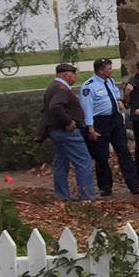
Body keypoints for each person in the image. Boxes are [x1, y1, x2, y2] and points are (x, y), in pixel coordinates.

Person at [80, 58, 139, 197]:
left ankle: (133, 184)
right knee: (102, 155)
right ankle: (105, 187)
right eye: (109, 68)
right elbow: (87, 109)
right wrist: (90, 128)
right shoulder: (89, 86)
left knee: (124, 151)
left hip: (115, 119)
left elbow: (116, 96)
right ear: (100, 70)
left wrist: (120, 101)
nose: (111, 70)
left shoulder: (110, 81)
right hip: (100, 121)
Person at [40, 62, 97, 201]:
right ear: (67, 74)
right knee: (84, 162)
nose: (76, 77)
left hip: (56, 131)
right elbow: (56, 107)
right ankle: (87, 196)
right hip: (67, 133)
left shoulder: (53, 86)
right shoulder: (61, 88)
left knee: (61, 163)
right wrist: (68, 122)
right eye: (74, 74)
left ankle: (62, 195)